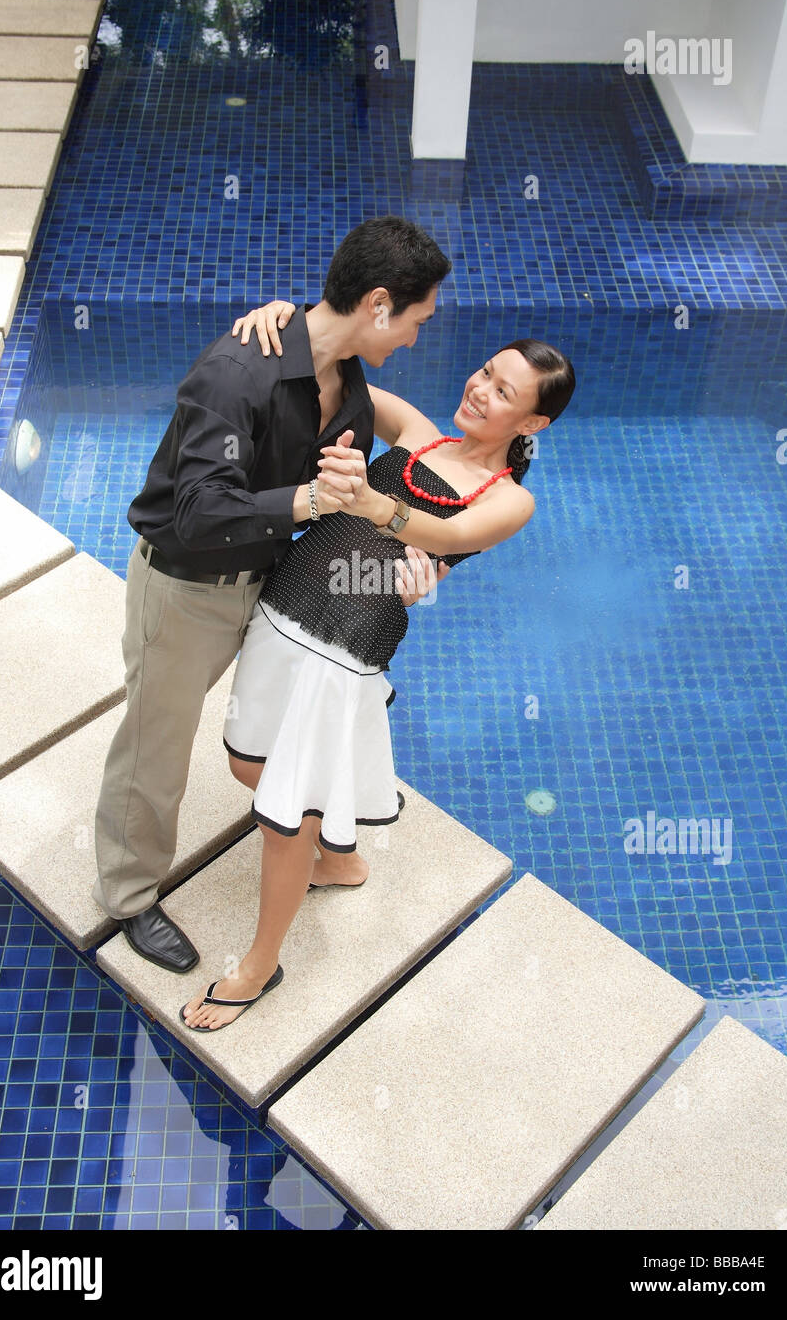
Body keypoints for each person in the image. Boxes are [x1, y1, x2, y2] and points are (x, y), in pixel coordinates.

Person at [178, 303, 576, 1030]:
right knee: (246, 764)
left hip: (343, 645)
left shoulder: (510, 501)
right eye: (486, 372)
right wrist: (288, 316)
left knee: (284, 815)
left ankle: (260, 965)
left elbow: (445, 532)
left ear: (532, 425)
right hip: (282, 610)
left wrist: (371, 502)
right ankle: (339, 858)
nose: (480, 390)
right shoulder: (419, 434)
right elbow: (330, 360)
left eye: (503, 393)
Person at [91, 216, 453, 974]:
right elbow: (197, 509)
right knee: (156, 744)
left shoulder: (347, 381)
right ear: (380, 304)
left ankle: (320, 833)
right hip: (187, 587)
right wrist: (313, 502)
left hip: (265, 585)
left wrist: (415, 552)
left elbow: (400, 471)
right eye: (417, 321)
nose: (418, 339)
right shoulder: (236, 371)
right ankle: (127, 895)